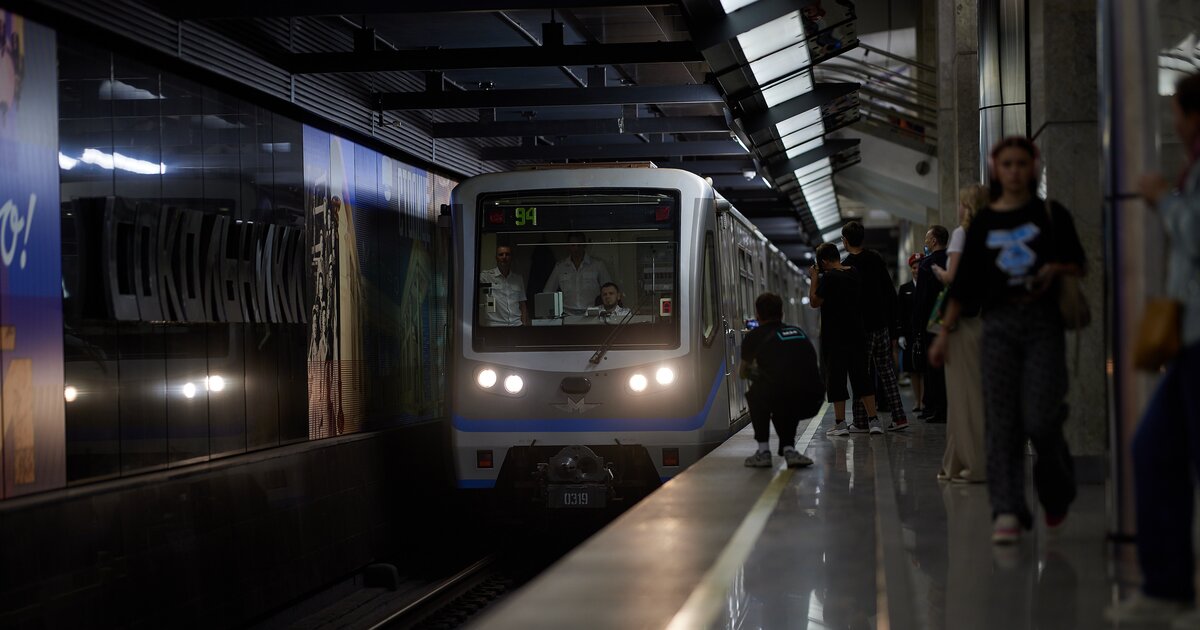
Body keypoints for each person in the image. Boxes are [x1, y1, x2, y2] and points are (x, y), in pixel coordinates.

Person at [929, 135, 1085, 545]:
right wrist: (944, 334)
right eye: (1007, 164)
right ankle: (1007, 509)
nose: (1015, 171)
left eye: (1022, 163)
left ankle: (1055, 491)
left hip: (1041, 324)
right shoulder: (982, 224)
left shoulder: (1050, 214)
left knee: (1041, 418)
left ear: (1033, 167)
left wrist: (1054, 270)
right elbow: (961, 287)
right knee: (1001, 421)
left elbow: (1078, 263)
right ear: (997, 170)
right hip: (998, 327)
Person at [1106, 72, 1200, 625]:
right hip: (1189, 342)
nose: (1174, 123)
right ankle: (1166, 586)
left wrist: (1163, 199)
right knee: (1153, 450)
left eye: (1178, 113)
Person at [933, 184, 991, 484]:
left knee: (962, 397)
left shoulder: (961, 234)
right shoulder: (992, 236)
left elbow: (954, 279)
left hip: (962, 324)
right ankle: (953, 463)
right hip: (985, 321)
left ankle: (976, 464)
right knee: (970, 395)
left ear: (967, 206)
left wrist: (939, 273)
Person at [740, 293, 822, 468]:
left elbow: (742, 372)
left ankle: (763, 451)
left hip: (784, 397)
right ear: (782, 313)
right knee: (785, 390)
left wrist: (761, 374)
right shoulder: (798, 332)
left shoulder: (753, 336)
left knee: (758, 393)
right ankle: (789, 449)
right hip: (814, 399)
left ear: (758, 315)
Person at [809, 242, 883, 436]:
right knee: (862, 376)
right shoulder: (854, 272)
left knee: (836, 378)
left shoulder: (829, 277)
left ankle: (840, 424)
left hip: (835, 336)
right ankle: (874, 421)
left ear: (824, 262)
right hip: (857, 333)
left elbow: (814, 302)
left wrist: (815, 277)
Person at [841, 221, 909, 432]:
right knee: (887, 372)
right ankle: (899, 417)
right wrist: (893, 327)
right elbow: (890, 292)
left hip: (861, 328)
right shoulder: (876, 259)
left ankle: (861, 421)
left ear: (845, 240)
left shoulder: (846, 265)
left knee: (861, 373)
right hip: (881, 325)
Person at [914, 225, 950, 423]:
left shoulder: (927, 265)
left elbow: (922, 299)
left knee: (933, 368)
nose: (925, 241)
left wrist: (917, 325)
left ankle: (935, 408)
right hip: (951, 321)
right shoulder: (952, 260)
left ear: (934, 240)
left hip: (931, 323)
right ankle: (944, 407)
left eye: (927, 238)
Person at [543, 232, 612, 315]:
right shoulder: (560, 267)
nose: (576, 249)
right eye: (573, 245)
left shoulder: (598, 265)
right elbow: (547, 292)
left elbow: (609, 290)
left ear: (585, 245)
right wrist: (547, 316)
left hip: (593, 313)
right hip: (566, 314)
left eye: (579, 245)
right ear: (568, 246)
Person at [897, 253, 925, 412]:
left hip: (924, 332)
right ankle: (917, 401)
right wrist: (900, 334)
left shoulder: (927, 285)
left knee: (924, 370)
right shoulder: (905, 289)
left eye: (919, 267)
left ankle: (925, 399)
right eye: (914, 268)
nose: (916, 270)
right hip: (909, 335)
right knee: (913, 369)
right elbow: (900, 313)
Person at [479, 244, 528, 326]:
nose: (504, 257)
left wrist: (524, 324)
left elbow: (522, 304)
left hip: (516, 325)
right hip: (495, 326)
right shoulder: (486, 276)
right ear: (496, 258)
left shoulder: (517, 279)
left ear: (511, 258)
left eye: (507, 254)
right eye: (501, 254)